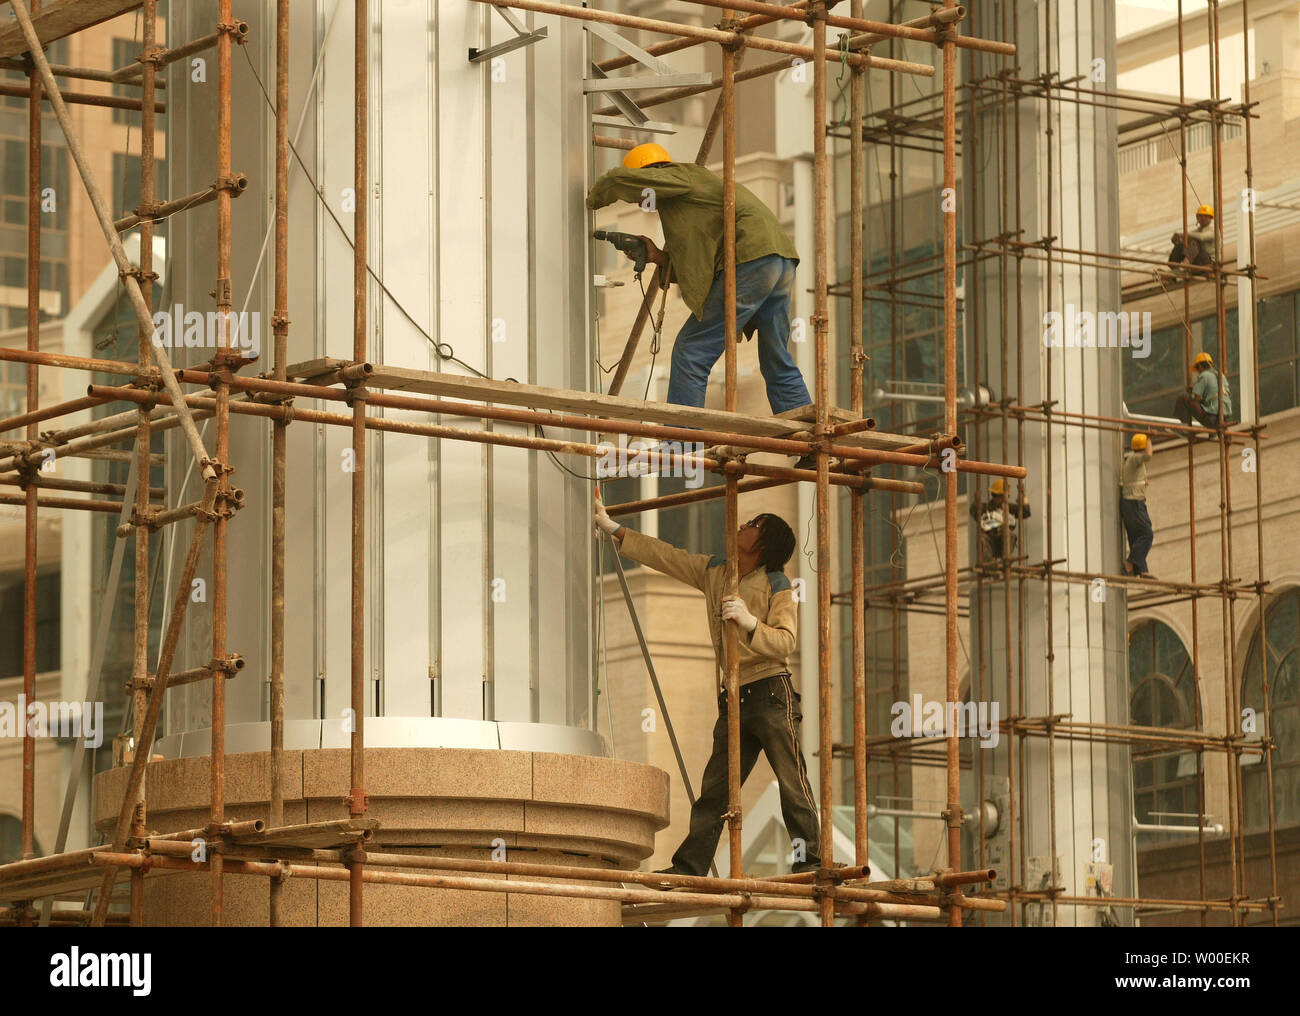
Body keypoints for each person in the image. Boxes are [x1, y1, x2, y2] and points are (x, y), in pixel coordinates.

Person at [593, 493, 821, 878]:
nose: (742, 525)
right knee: (715, 792)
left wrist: (749, 622)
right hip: (734, 697)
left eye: (754, 525)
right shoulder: (716, 571)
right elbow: (666, 555)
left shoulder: (776, 582)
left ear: (764, 545)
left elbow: (785, 641)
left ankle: (810, 860)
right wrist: (611, 527)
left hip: (770, 691)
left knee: (791, 780)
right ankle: (690, 867)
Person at [586, 143, 813, 419]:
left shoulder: (679, 176)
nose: (642, 201)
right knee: (777, 359)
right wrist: (659, 256)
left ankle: (682, 444)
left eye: (642, 193)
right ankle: (809, 445)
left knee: (691, 351)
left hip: (750, 258)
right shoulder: (690, 202)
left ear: (651, 174)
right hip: (778, 261)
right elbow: (702, 266)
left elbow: (619, 179)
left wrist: (593, 197)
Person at [969, 478, 1030, 564]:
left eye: (1003, 496)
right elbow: (973, 511)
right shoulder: (986, 507)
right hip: (991, 544)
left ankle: (1006, 560)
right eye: (995, 495)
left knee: (1009, 533)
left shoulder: (1010, 508)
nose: (999, 499)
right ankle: (988, 564)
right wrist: (976, 501)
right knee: (981, 538)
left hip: (1004, 545)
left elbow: (1026, 512)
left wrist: (1022, 495)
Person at [1120, 433, 1155, 579]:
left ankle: (1142, 570)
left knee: (1136, 537)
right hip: (1134, 503)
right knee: (1147, 534)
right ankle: (1130, 564)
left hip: (1132, 502)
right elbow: (1148, 455)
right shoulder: (1135, 458)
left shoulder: (1133, 461)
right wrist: (1149, 438)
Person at [1174, 351, 1233, 426]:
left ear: (1200, 366)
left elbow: (1197, 398)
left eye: (1197, 369)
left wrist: (1192, 394)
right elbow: (1213, 393)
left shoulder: (1204, 375)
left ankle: (1183, 427)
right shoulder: (1221, 376)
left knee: (1183, 397)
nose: (1198, 372)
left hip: (1211, 418)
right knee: (1208, 403)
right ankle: (1213, 434)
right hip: (1224, 417)